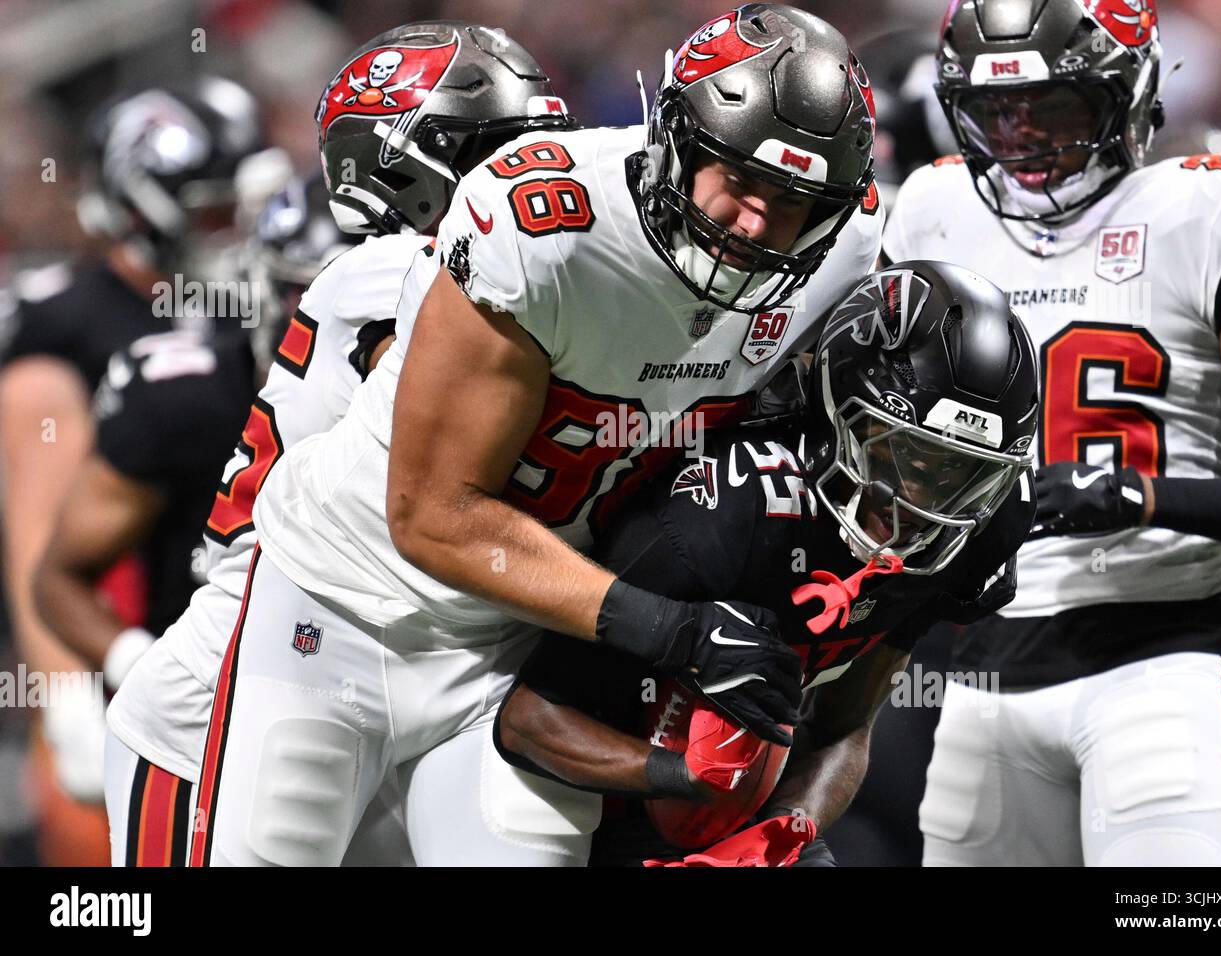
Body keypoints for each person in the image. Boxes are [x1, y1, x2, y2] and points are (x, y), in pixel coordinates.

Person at [193, 4, 882, 867]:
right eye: (740, 181)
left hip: (527, 644)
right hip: (348, 605)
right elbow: (435, 513)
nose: (754, 224)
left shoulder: (845, 251)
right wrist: (674, 629)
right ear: (674, 137)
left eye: (792, 204)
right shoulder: (546, 224)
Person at [101, 21, 574, 866]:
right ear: (407, 171)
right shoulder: (392, 279)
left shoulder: (483, 279)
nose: (537, 169)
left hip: (394, 674)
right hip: (231, 691)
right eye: (505, 147)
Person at [884, 0, 1221, 865]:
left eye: (1054, 107)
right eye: (996, 111)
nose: (1023, 137)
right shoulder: (933, 209)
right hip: (978, 669)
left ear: (1129, 95)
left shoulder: (1218, 211)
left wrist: (1140, 496)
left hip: (1158, 657)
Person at [492, 261, 1039, 866]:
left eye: (958, 471)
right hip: (586, 781)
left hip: (747, 800)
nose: (923, 503)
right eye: (904, 453)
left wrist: (781, 834)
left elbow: (846, 731)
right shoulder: (731, 507)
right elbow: (528, 722)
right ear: (839, 409)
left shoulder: (978, 531)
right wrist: (687, 776)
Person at [0, 75, 280, 865]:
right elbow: (36, 463)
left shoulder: (265, 301)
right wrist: (67, 690)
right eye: (216, 211)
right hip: (113, 618)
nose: (239, 232)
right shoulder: (67, 323)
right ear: (139, 210)